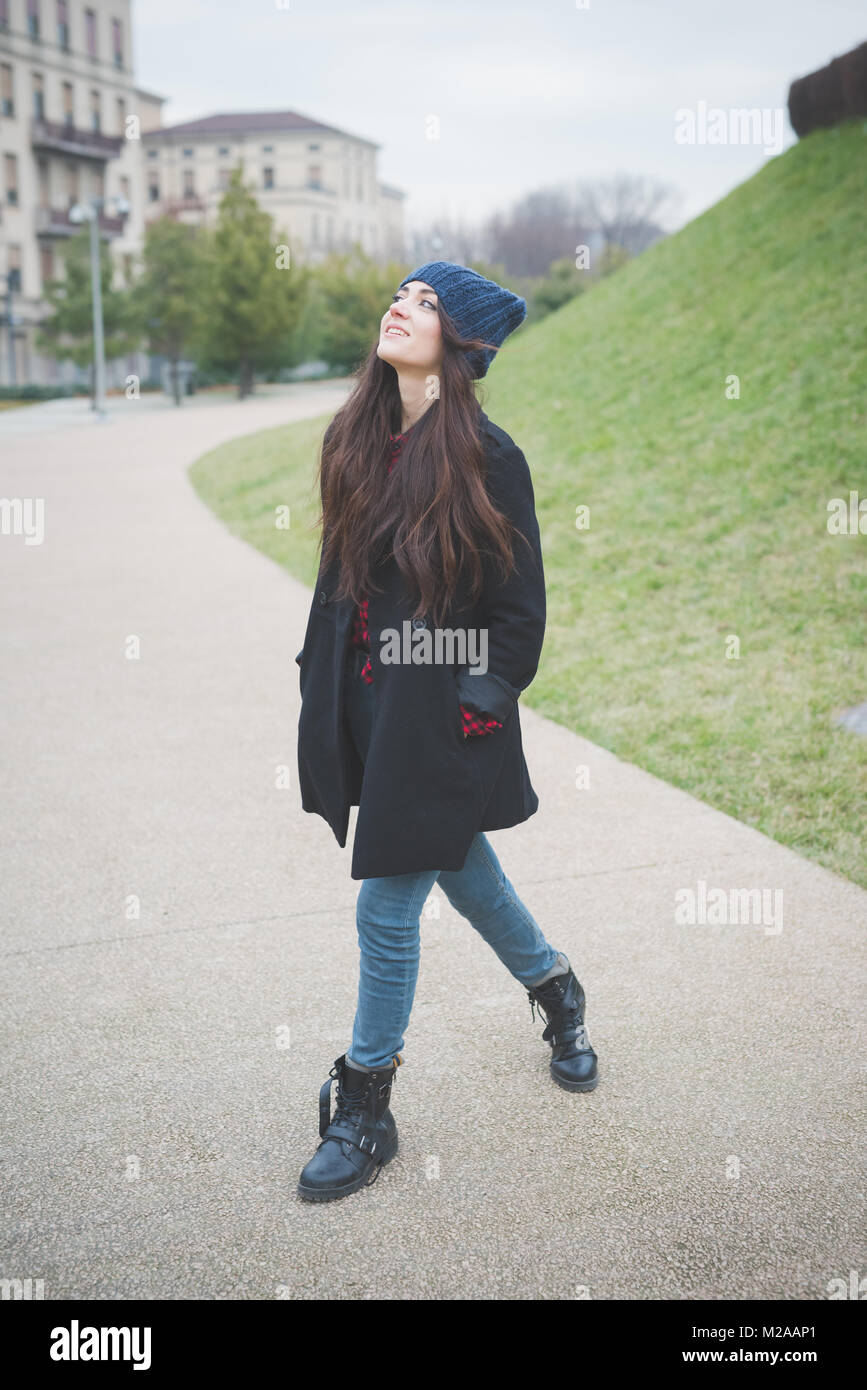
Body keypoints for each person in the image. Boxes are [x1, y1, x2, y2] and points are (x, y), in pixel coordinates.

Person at [294, 261, 598, 1203]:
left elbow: (518, 612)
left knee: (386, 908)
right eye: (401, 292)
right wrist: (322, 673)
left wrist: (473, 702)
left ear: (463, 346)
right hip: (370, 710)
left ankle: (366, 1108)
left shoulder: (488, 456)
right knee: (465, 874)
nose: (401, 306)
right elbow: (340, 579)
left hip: (444, 720)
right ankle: (557, 991)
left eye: (427, 304)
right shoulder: (356, 435)